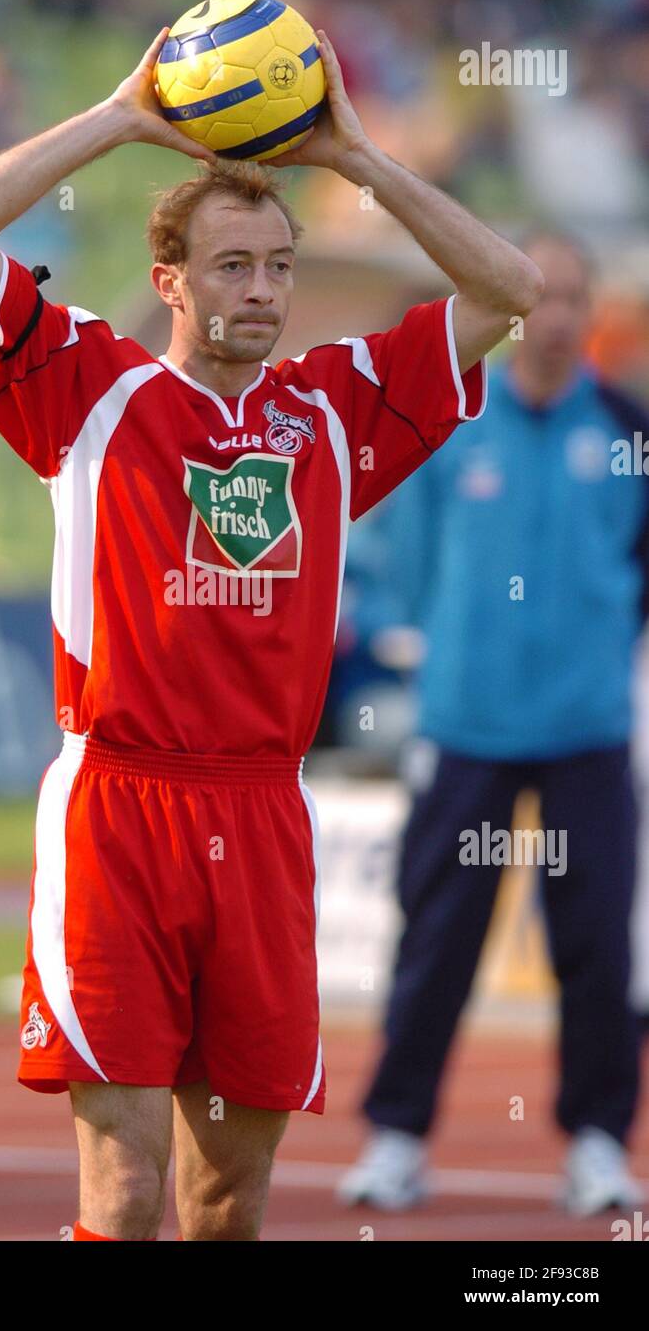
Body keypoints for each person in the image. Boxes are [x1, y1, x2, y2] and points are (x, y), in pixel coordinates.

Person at [0, 22, 541, 1242]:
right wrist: (121, 116)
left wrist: (359, 160)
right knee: (129, 1189)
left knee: (227, 1200)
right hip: (119, 809)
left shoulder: (336, 411)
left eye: (278, 266)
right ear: (171, 281)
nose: (260, 291)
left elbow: (507, 293)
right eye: (231, 265)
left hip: (261, 812)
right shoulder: (91, 392)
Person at [338, 230, 648, 1218]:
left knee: (598, 946)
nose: (556, 315)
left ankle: (598, 1142)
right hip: (465, 728)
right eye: (540, 296)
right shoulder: (451, 421)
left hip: (590, 733)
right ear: (513, 311)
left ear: (590, 309)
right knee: (437, 941)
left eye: (572, 296)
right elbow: (380, 549)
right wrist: (409, 641)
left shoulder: (627, 428)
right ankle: (397, 1137)